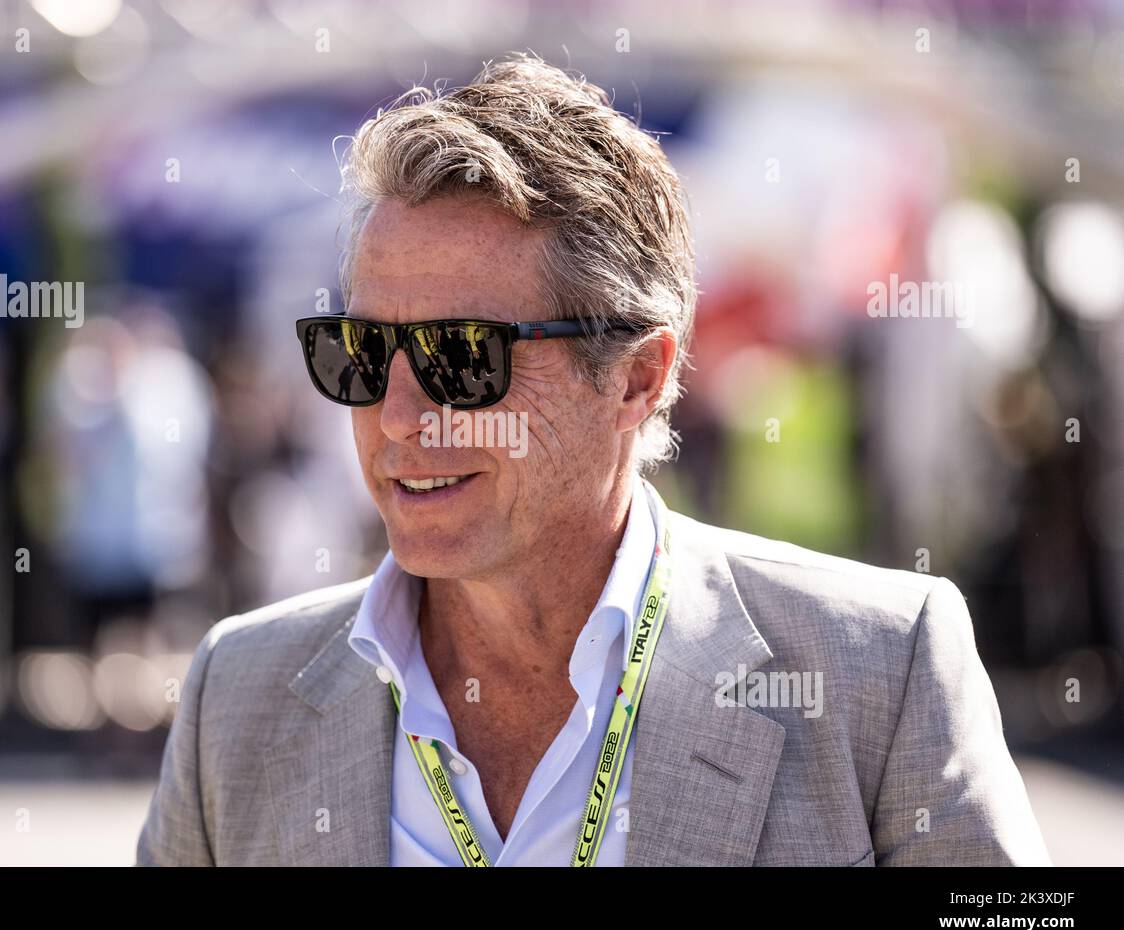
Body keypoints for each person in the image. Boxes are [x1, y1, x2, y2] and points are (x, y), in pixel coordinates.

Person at [136, 53, 1049, 866]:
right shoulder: (237, 696)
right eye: (362, 354)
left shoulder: (877, 673)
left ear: (635, 379)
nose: (401, 416)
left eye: (464, 357)